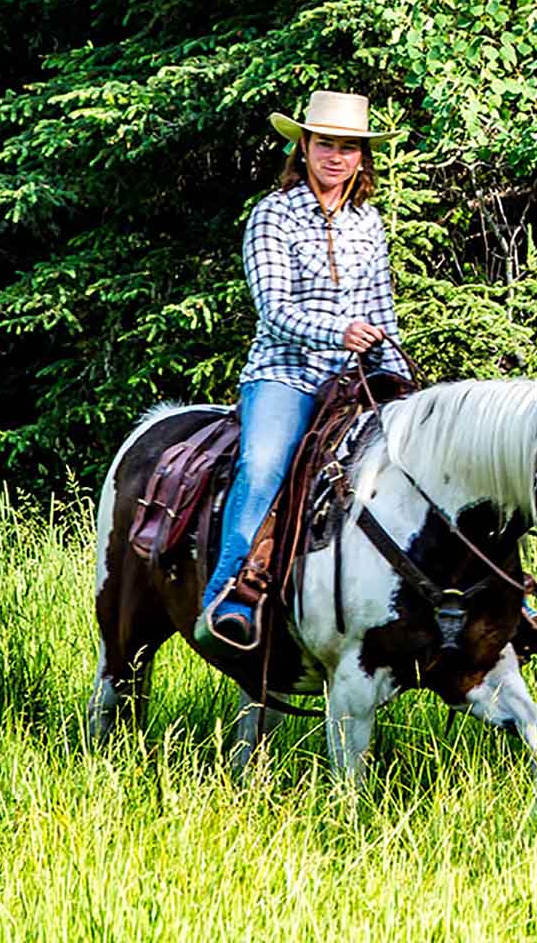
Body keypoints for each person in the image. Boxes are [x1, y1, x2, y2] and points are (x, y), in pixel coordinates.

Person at [193, 90, 411, 657]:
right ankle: (228, 598)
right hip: (284, 375)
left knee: (425, 457)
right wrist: (338, 332)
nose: (336, 156)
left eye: (348, 148)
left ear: (362, 157)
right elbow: (274, 307)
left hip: (354, 378)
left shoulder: (369, 223)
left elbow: (382, 310)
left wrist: (402, 381)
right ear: (305, 147)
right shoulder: (273, 214)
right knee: (263, 466)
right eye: (325, 144)